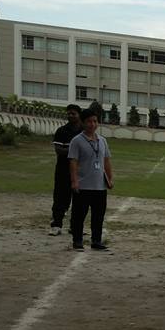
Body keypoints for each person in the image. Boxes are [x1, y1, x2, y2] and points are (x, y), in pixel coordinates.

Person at [68, 109, 114, 251]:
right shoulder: (77, 141)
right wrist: (74, 181)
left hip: (99, 186)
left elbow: (106, 161)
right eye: (89, 121)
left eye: (94, 121)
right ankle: (77, 240)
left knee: (98, 216)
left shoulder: (102, 141)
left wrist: (110, 178)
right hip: (83, 185)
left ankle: (96, 241)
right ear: (83, 122)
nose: (92, 124)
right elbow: (73, 162)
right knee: (79, 215)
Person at [50, 104, 82, 236]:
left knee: (79, 200)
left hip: (80, 172)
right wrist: (76, 152)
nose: (70, 116)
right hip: (63, 170)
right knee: (60, 198)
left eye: (73, 113)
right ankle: (56, 224)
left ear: (79, 115)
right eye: (68, 113)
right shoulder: (62, 131)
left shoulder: (84, 131)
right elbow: (59, 150)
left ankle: (75, 226)